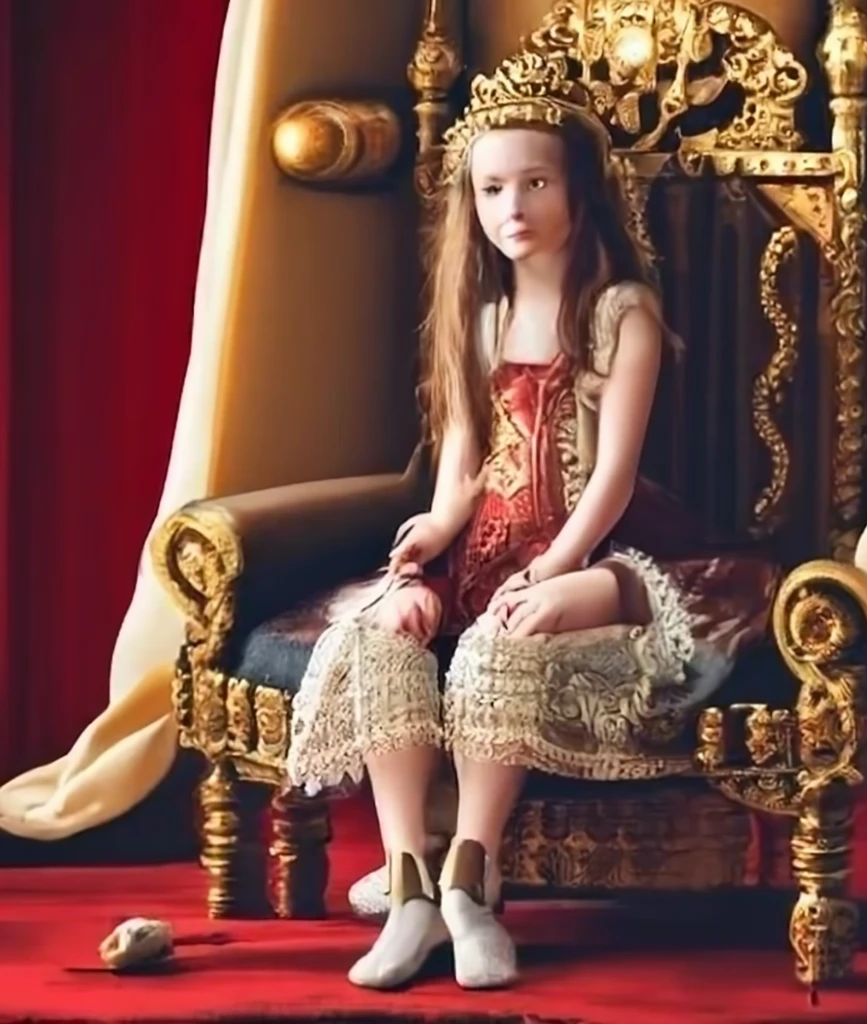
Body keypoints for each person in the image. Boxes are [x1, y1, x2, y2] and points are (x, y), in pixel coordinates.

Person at [285, 57, 710, 993]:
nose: (511, 206)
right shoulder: (481, 320)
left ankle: (472, 881)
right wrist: (432, 534)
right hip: (485, 550)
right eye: (491, 188)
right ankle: (410, 892)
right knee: (389, 635)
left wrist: (555, 564)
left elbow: (614, 474)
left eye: (535, 182)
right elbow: (462, 471)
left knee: (506, 639)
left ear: (578, 191)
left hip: (604, 550)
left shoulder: (620, 314)